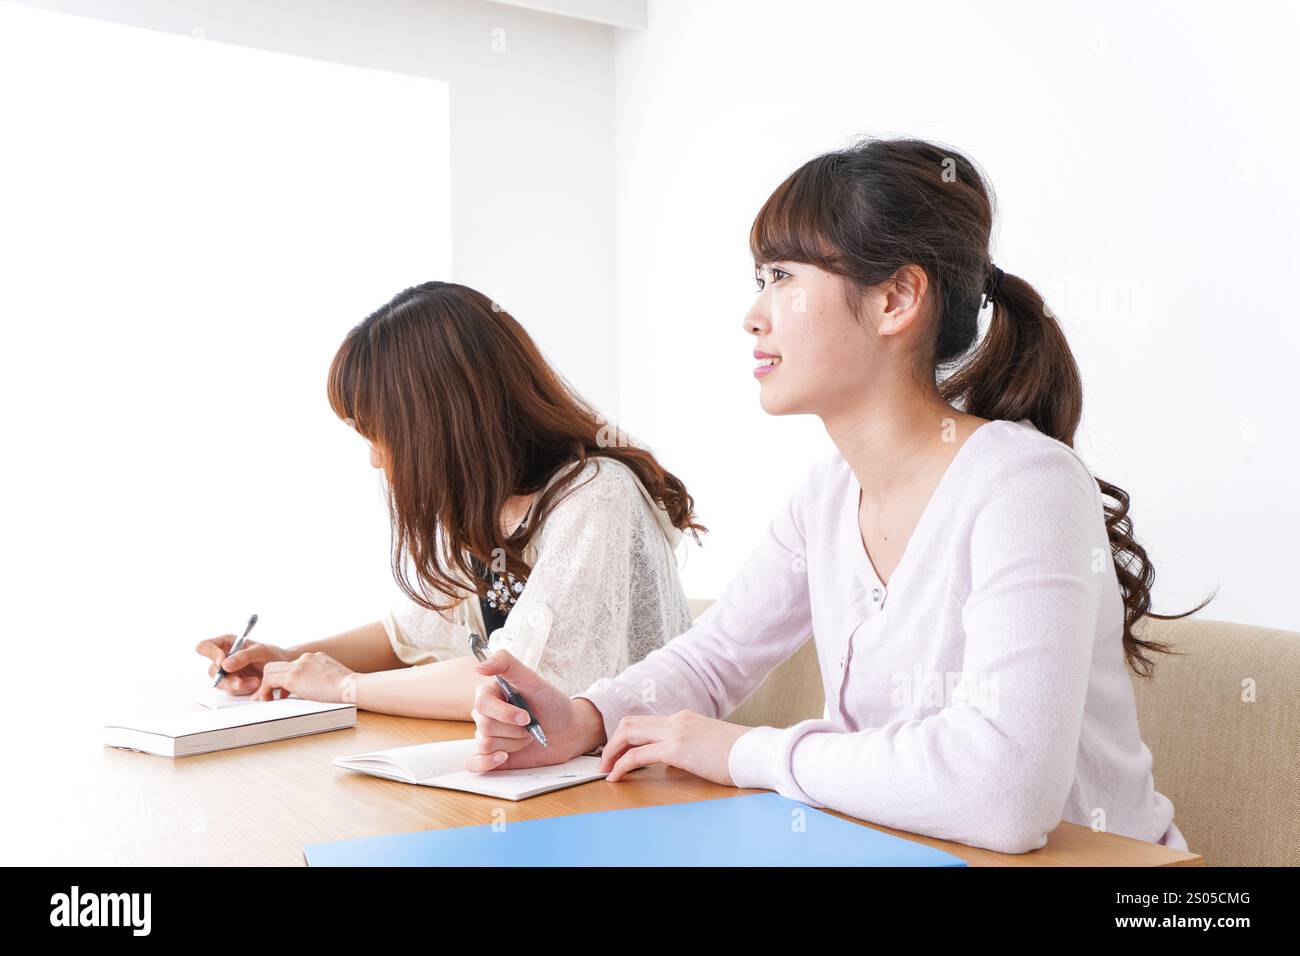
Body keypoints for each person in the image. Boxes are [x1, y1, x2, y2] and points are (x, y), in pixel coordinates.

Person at [462, 137, 1212, 854]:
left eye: (783, 277)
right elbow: (718, 655)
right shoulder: (827, 496)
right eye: (760, 281)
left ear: (896, 299)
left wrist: (749, 752)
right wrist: (585, 718)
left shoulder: (1025, 486)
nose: (752, 316)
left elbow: (1004, 796)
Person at [195, 281, 702, 718]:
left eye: (381, 435)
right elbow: (407, 636)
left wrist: (345, 687)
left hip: (640, 791)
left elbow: (522, 685)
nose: (377, 460)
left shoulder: (596, 496)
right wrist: (287, 660)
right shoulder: (495, 509)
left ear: (440, 424)